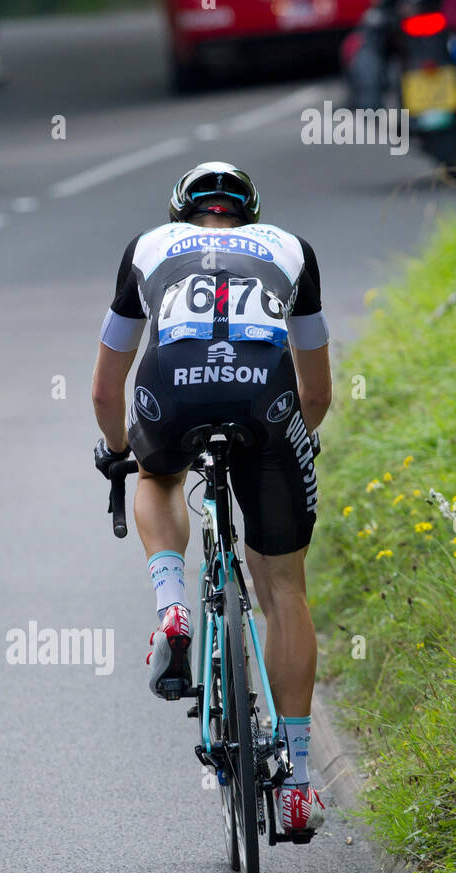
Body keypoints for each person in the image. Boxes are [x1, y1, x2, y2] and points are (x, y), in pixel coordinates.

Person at [91, 162, 332, 834]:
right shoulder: (290, 249)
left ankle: (172, 609)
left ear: (178, 215)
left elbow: (105, 392)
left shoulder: (146, 248)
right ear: (251, 218)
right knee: (283, 589)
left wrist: (118, 451)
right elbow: (315, 394)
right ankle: (298, 786)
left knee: (158, 474)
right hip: (265, 391)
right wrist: (283, 443)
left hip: (170, 388)